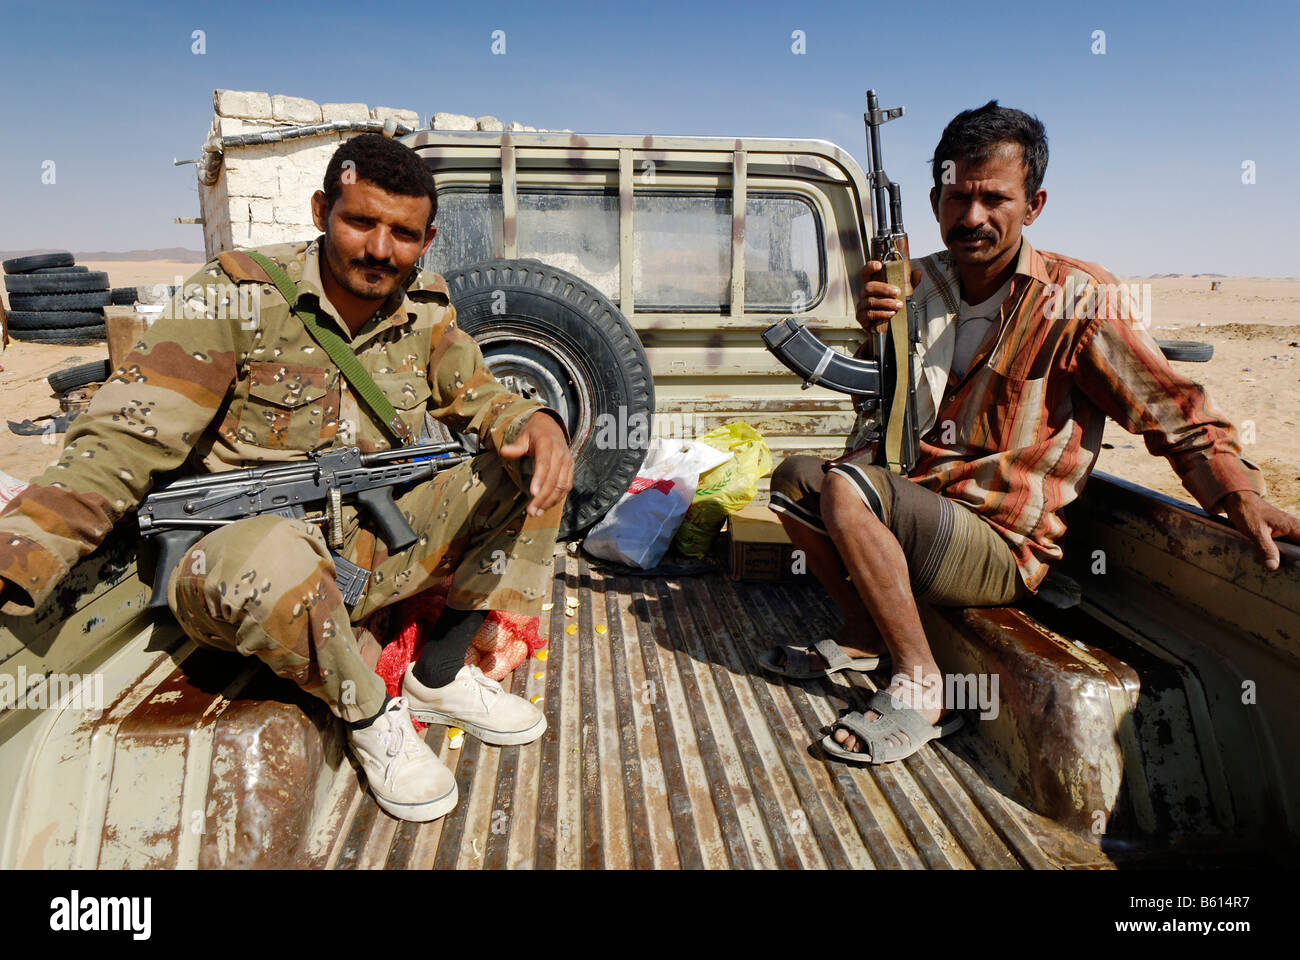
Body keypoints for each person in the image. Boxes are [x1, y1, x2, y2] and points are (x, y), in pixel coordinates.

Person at [0, 133, 574, 822]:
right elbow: (121, 440)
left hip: (359, 547)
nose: (379, 249)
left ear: (426, 240)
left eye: (403, 233)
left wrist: (533, 421)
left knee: (533, 466)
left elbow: (477, 395)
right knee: (274, 558)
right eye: (360, 221)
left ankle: (438, 677)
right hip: (244, 563)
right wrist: (22, 550)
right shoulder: (238, 297)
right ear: (320, 209)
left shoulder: (424, 305)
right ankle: (372, 720)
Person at [764, 101, 1300, 764]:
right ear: (934, 199)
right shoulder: (918, 284)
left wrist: (1235, 493)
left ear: (1034, 203)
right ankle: (864, 634)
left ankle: (924, 686)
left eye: (995, 198)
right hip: (922, 504)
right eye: (957, 197)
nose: (972, 217)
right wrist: (880, 326)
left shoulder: (1077, 296)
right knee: (794, 480)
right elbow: (896, 409)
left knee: (848, 490)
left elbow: (1172, 409)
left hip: (999, 542)